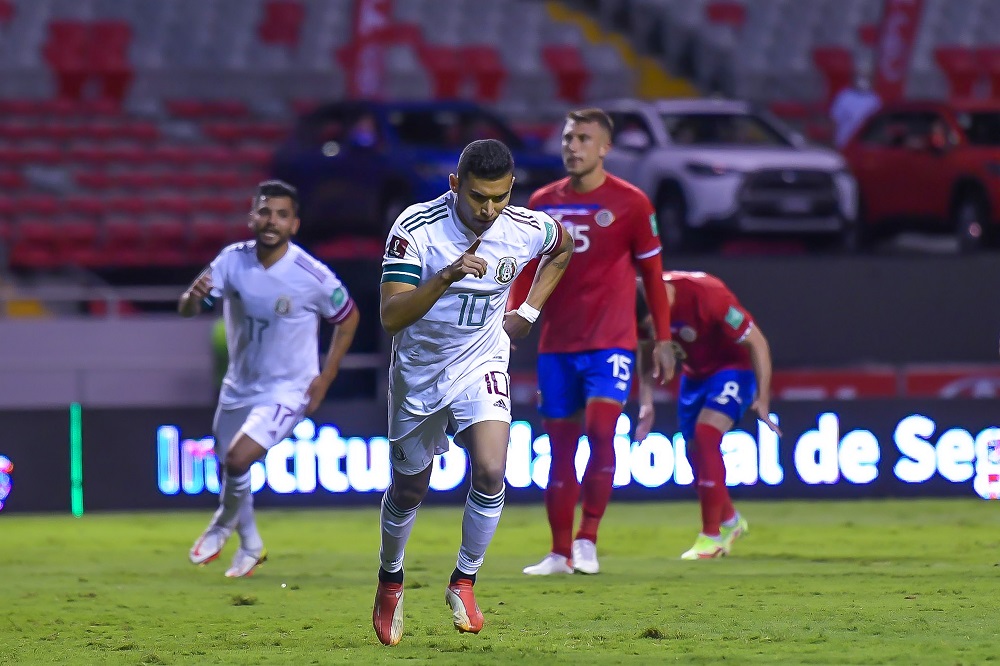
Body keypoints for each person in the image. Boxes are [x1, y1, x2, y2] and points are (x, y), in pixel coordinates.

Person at [373, 139, 574, 646]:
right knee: (409, 489)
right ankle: (390, 581)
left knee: (490, 467)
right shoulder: (415, 230)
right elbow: (391, 317)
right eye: (479, 198)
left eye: (501, 197)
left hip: (482, 361)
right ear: (455, 185)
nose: (489, 210)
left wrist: (528, 311)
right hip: (418, 372)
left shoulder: (524, 228)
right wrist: (445, 275)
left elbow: (563, 246)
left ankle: (463, 581)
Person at [511, 108, 676, 577]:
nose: (573, 146)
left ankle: (588, 539)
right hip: (557, 345)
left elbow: (652, 273)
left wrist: (661, 337)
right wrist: (519, 316)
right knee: (560, 448)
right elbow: (527, 268)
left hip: (611, 342)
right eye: (567, 138)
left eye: (584, 138)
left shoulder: (632, 203)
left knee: (602, 432)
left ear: (604, 148)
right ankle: (559, 553)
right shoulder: (542, 202)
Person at [179, 180, 360, 577]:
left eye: (281, 214)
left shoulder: (310, 274)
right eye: (264, 212)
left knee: (238, 457)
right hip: (238, 386)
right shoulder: (231, 260)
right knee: (230, 467)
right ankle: (251, 545)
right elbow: (189, 308)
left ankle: (221, 524)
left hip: (288, 389)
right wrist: (193, 297)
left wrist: (325, 378)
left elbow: (348, 317)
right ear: (251, 218)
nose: (271, 221)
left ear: (294, 224)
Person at [635, 271, 780, 559]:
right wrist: (646, 402)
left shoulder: (708, 296)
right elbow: (646, 350)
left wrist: (763, 399)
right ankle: (730, 521)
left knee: (706, 435)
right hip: (694, 375)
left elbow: (758, 343)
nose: (655, 332)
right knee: (693, 452)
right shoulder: (638, 303)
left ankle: (711, 537)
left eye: (654, 324)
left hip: (733, 368)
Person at [829, 72, 881, 149]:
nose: (863, 81)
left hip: (863, 146)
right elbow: (834, 120)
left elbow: (877, 125)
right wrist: (832, 140)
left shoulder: (874, 100)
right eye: (861, 77)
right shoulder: (844, 96)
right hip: (843, 142)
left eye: (866, 78)